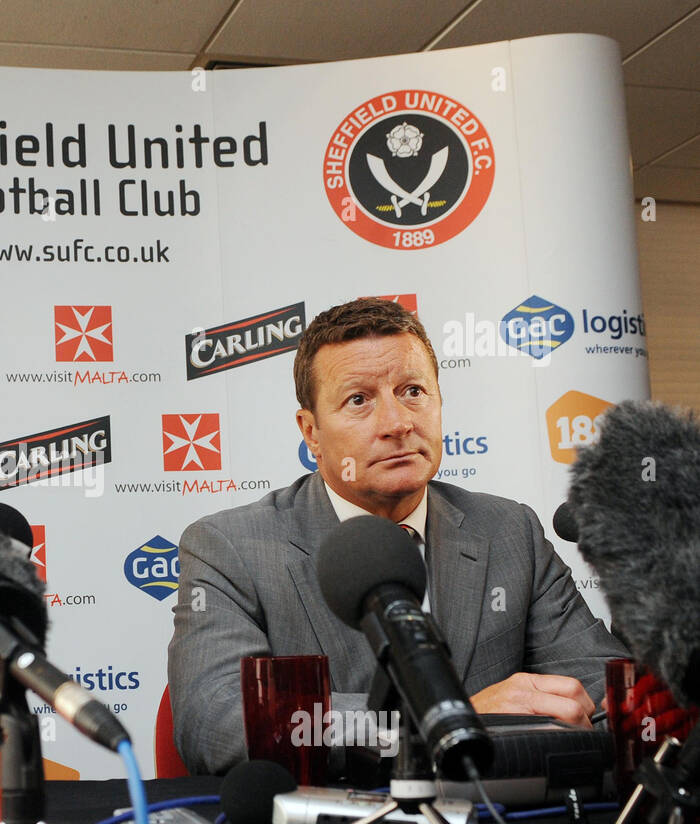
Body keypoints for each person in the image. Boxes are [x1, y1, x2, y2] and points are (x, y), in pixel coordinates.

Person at [167, 297, 625, 775]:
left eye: (412, 391)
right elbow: (215, 722)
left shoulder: (509, 531)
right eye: (359, 400)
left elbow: (607, 689)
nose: (398, 423)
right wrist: (447, 722)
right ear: (312, 433)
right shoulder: (230, 548)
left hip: (503, 823)